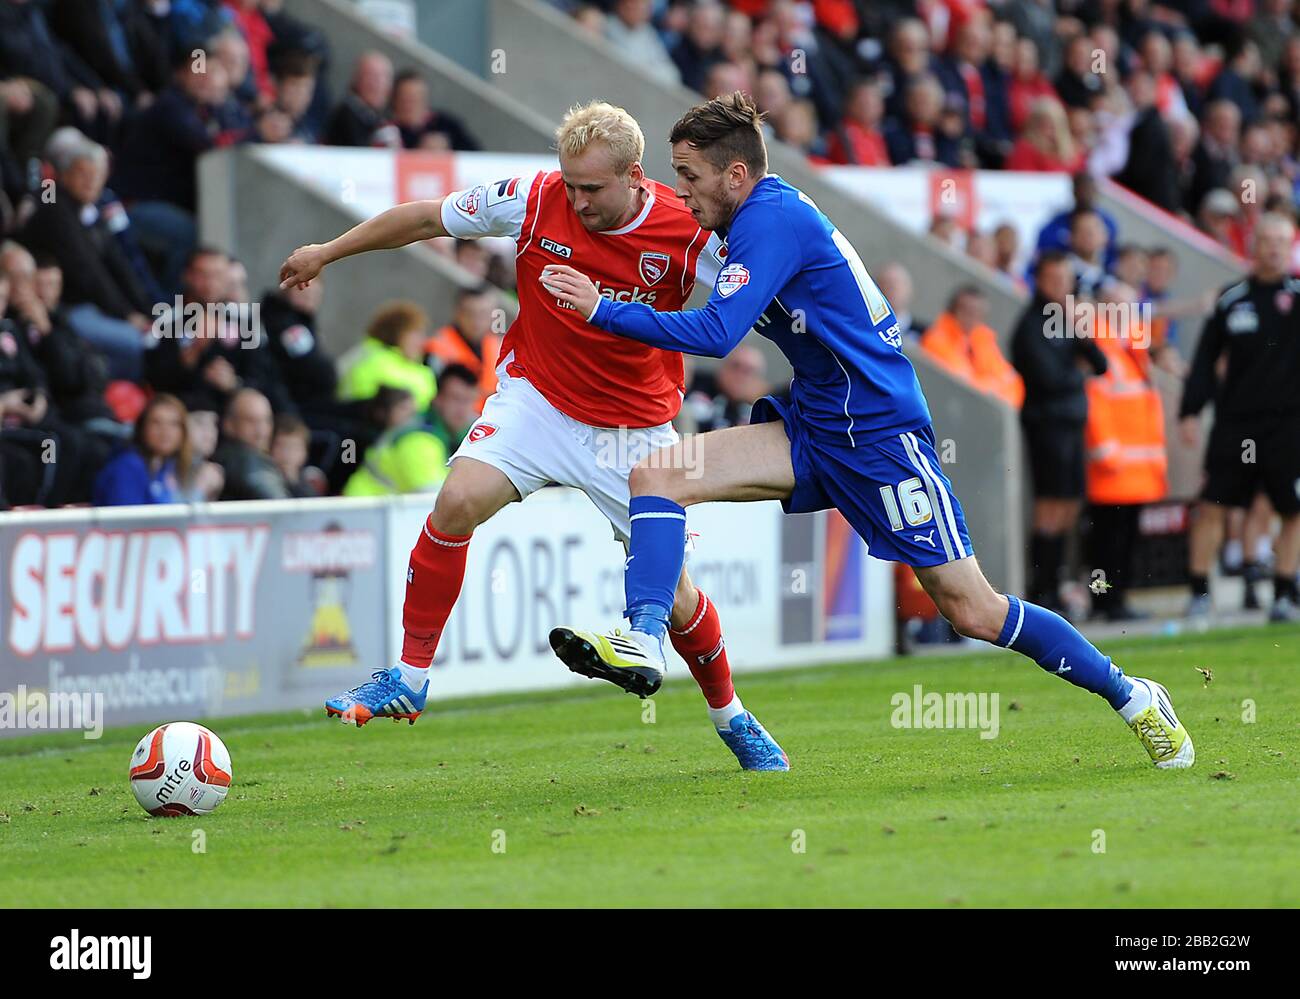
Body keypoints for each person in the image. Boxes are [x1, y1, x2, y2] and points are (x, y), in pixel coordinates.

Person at [541, 91, 1194, 772]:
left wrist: (602, 309)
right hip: (816, 424)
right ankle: (643, 635)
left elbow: (716, 331)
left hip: (880, 437)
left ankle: (1133, 695)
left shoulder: (771, 221)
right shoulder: (750, 218)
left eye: (690, 176)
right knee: (656, 475)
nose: (684, 191)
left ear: (735, 176)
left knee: (972, 608)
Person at [279, 100, 787, 770]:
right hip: (538, 402)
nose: (576, 200)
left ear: (636, 175)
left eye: (592, 189)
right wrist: (328, 250)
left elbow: (748, 308)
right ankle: (408, 675)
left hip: (632, 427)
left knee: (678, 594)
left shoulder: (684, 229)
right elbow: (424, 217)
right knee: (456, 500)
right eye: (569, 183)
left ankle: (732, 716)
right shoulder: (532, 198)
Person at [1179, 212, 1300, 623]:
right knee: (1212, 506)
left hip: (1288, 425)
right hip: (1236, 423)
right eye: (1266, 239)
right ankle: (1198, 592)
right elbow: (1204, 360)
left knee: (1293, 510)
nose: (1273, 248)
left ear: (1291, 245)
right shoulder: (1232, 300)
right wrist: (1190, 411)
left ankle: (1283, 593)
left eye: (1281, 241)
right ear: (1253, 245)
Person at [1011, 251, 1108, 614]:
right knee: (1049, 507)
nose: (1061, 287)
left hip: (1070, 425)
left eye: (1065, 280)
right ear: (1040, 280)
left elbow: (1100, 364)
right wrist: (1077, 374)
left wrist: (1081, 337)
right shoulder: (1030, 325)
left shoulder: (1065, 321)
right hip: (1047, 425)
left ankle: (1055, 583)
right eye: (1054, 280)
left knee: (1069, 505)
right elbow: (1048, 378)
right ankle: (1041, 590)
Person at [92, 394, 191, 506]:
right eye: (156, 423)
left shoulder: (164, 467)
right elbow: (125, 519)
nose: (166, 431)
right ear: (142, 427)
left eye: (174, 424)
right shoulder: (127, 467)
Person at [212, 387, 290, 501]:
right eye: (251, 421)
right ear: (229, 424)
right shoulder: (242, 460)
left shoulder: (261, 459)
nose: (261, 431)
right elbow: (281, 507)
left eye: (266, 420)